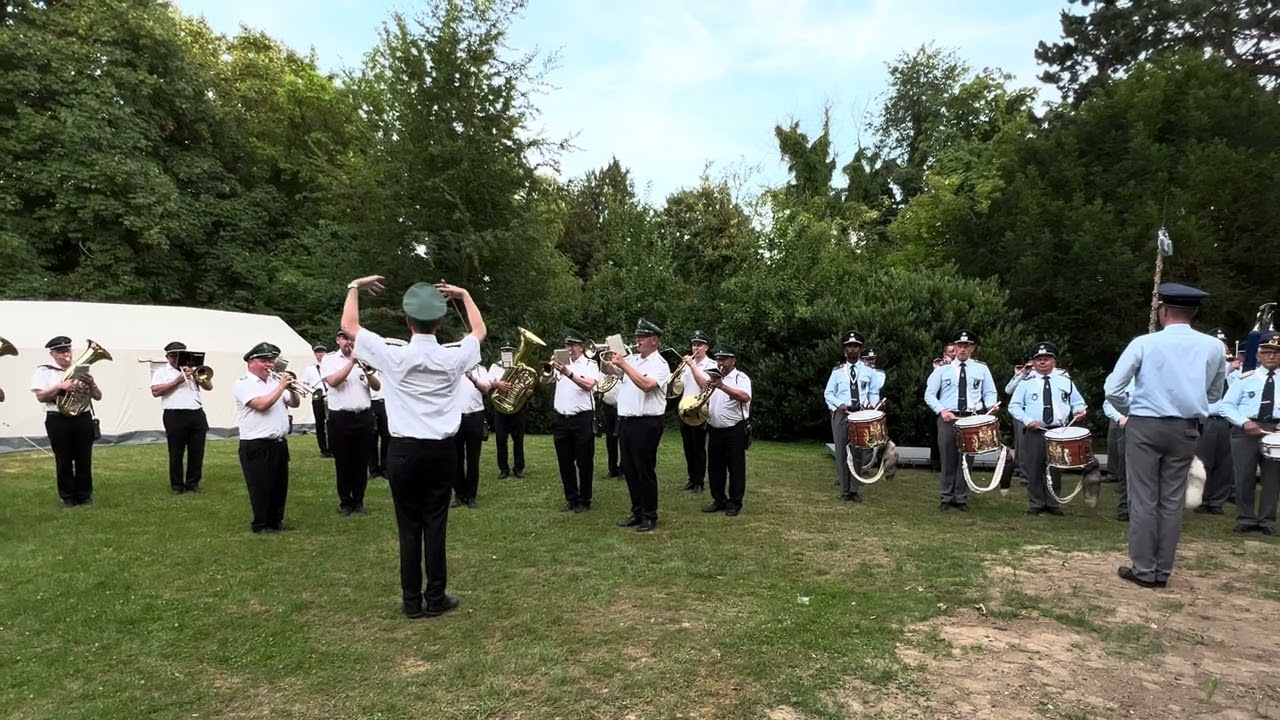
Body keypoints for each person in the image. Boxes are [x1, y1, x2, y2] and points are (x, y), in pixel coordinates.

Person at [344, 276, 486, 620]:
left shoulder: (393, 356)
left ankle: (411, 601)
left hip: (403, 451)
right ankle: (435, 597)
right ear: (439, 323)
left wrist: (354, 286)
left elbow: (349, 326)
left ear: (408, 322)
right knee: (436, 524)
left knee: (408, 526)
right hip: (441, 451)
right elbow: (479, 331)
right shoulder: (454, 357)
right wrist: (464, 294)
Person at [1104, 282, 1226, 589]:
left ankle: (1144, 569)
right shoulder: (1213, 347)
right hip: (1186, 427)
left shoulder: (1144, 343)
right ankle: (1162, 570)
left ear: (1163, 311)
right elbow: (1214, 392)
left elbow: (1112, 389)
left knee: (1144, 498)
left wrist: (1129, 409)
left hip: (1145, 424)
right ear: (1194, 312)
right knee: (1171, 500)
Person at [1008, 342, 1087, 516]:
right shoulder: (1025, 383)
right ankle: (1036, 503)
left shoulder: (1065, 381)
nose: (1042, 362)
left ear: (1054, 361)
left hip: (1058, 431)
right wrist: (1028, 421)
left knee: (1055, 467)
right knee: (1034, 468)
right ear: (1034, 362)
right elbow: (1014, 406)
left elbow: (1077, 402)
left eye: (1046, 359)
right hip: (1035, 430)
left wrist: (1078, 411)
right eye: (1039, 359)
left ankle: (1053, 502)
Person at [924, 329, 998, 511]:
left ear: (972, 348)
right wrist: (941, 411)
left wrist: (990, 406)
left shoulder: (981, 368)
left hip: (972, 418)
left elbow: (989, 391)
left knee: (966, 459)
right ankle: (946, 497)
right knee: (948, 458)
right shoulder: (943, 370)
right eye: (959, 346)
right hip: (949, 417)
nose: (962, 349)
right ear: (954, 348)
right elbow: (929, 394)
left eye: (966, 346)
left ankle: (961, 498)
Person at [232, 342, 301, 534]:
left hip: (278, 442)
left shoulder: (274, 382)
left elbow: (294, 403)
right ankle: (261, 524)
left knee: (279, 485)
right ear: (251, 362)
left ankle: (276, 520)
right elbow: (261, 405)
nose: (269, 365)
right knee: (260, 486)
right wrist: (281, 387)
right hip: (256, 443)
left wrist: (292, 388)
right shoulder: (243, 383)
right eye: (264, 361)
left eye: (271, 360)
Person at [611, 318, 671, 532]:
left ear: (654, 340)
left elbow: (647, 385)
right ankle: (637, 511)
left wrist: (624, 364)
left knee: (644, 469)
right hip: (627, 421)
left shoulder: (660, 364)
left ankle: (650, 515)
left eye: (642, 338)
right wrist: (613, 359)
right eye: (636, 337)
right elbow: (611, 372)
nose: (638, 341)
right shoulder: (634, 360)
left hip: (647, 423)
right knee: (628, 468)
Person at [30, 336, 102, 507]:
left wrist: (91, 384)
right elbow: (41, 397)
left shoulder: (80, 370)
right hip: (58, 419)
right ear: (52, 354)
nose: (66, 355)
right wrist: (59, 387)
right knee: (63, 459)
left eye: (67, 351)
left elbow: (98, 396)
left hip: (82, 418)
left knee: (84, 458)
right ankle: (68, 497)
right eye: (61, 352)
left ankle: (85, 496)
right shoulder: (44, 371)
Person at [1220, 331, 1280, 534]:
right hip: (1246, 430)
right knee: (1244, 476)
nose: (1272, 356)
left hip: (1276, 431)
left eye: (1277, 352)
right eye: (1268, 352)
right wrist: (1244, 422)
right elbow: (1226, 406)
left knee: (1273, 479)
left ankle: (1267, 521)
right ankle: (1245, 517)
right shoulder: (1245, 378)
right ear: (1259, 355)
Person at [322, 329, 381, 516]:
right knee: (344, 461)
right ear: (338, 340)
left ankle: (359, 501)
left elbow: (377, 386)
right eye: (345, 338)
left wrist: (366, 368)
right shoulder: (329, 360)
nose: (349, 342)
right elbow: (333, 381)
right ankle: (346, 503)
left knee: (361, 461)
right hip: (341, 417)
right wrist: (352, 363)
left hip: (363, 416)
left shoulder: (365, 360)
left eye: (352, 339)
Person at [543, 329, 601, 513]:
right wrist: (549, 370)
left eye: (573, 345)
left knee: (584, 461)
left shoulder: (590, 364)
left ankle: (585, 499)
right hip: (562, 418)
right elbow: (543, 381)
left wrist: (568, 373)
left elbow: (589, 385)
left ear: (581, 347)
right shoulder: (560, 364)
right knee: (564, 461)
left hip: (582, 418)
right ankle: (571, 497)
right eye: (567, 345)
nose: (570, 349)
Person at [149, 341, 212, 495]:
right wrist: (177, 381)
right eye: (173, 355)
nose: (176, 358)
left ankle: (193, 483)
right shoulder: (161, 372)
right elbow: (156, 392)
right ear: (167, 357)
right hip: (174, 414)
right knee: (176, 452)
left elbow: (209, 387)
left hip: (196, 412)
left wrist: (196, 375)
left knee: (197, 451)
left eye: (180, 355)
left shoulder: (192, 370)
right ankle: (177, 485)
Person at [696, 346, 752, 516]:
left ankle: (735, 503)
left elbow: (744, 397)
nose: (721, 363)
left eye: (724, 360)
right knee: (714, 467)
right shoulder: (712, 378)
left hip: (734, 429)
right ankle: (719, 499)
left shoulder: (740, 378)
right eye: (718, 360)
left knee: (735, 467)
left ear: (733, 360)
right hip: (714, 428)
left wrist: (722, 386)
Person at [824, 331, 877, 502]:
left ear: (860, 349)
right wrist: (839, 404)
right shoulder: (837, 371)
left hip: (860, 414)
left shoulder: (869, 371)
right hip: (841, 414)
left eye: (855, 346)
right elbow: (828, 393)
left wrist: (872, 404)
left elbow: (873, 392)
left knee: (857, 452)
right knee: (841, 451)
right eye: (849, 347)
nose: (852, 349)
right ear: (844, 350)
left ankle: (855, 490)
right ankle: (844, 491)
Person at [1193, 327, 1236, 515]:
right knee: (1203, 462)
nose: (1224, 347)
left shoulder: (1236, 371)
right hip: (1207, 421)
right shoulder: (1202, 367)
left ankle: (1217, 500)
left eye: (1225, 343)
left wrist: (1233, 370)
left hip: (1227, 422)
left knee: (1225, 464)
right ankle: (1202, 499)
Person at [677, 330, 717, 493]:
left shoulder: (712, 365)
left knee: (698, 447)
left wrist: (693, 366)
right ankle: (691, 478)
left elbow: (705, 385)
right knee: (688, 446)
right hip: (685, 408)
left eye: (699, 345)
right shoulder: (686, 366)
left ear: (706, 347)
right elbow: (680, 387)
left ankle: (699, 481)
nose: (695, 348)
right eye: (694, 345)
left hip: (700, 410)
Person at [451, 347, 488, 509]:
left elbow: (486, 389)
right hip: (456, 417)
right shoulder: (453, 370)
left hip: (475, 417)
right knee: (455, 459)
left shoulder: (481, 370)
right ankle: (459, 494)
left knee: (473, 459)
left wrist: (473, 379)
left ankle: (471, 496)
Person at [488, 341, 527, 478]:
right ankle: (503, 469)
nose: (507, 353)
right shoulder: (495, 366)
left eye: (510, 351)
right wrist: (498, 384)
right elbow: (488, 383)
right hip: (500, 408)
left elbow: (528, 385)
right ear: (501, 352)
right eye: (505, 351)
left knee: (518, 440)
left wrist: (525, 391)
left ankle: (519, 468)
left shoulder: (521, 367)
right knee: (500, 439)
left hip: (517, 407)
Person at [1102, 378, 1136, 521]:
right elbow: (1108, 403)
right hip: (1128, 426)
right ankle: (1125, 508)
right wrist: (1120, 417)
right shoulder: (1123, 378)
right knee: (1125, 468)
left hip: (1153, 427)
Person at [300, 344, 331, 458]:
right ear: (314, 354)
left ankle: (333, 447)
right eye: (318, 352)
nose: (320, 354)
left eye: (322, 351)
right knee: (320, 423)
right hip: (318, 398)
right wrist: (312, 391)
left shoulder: (331, 366)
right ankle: (324, 449)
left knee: (332, 423)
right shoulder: (310, 369)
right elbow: (304, 383)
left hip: (330, 397)